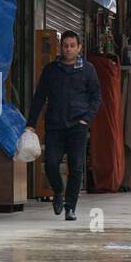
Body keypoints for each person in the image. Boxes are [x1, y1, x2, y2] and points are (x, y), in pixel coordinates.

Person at [25, 30, 102, 221]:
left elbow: (96, 97)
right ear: (61, 48)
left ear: (79, 48)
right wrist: (31, 124)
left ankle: (70, 207)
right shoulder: (51, 70)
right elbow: (39, 97)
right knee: (51, 164)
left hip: (78, 125)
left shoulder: (88, 70)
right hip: (55, 126)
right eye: (65, 46)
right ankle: (58, 191)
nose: (68, 49)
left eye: (72, 46)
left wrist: (87, 119)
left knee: (76, 168)